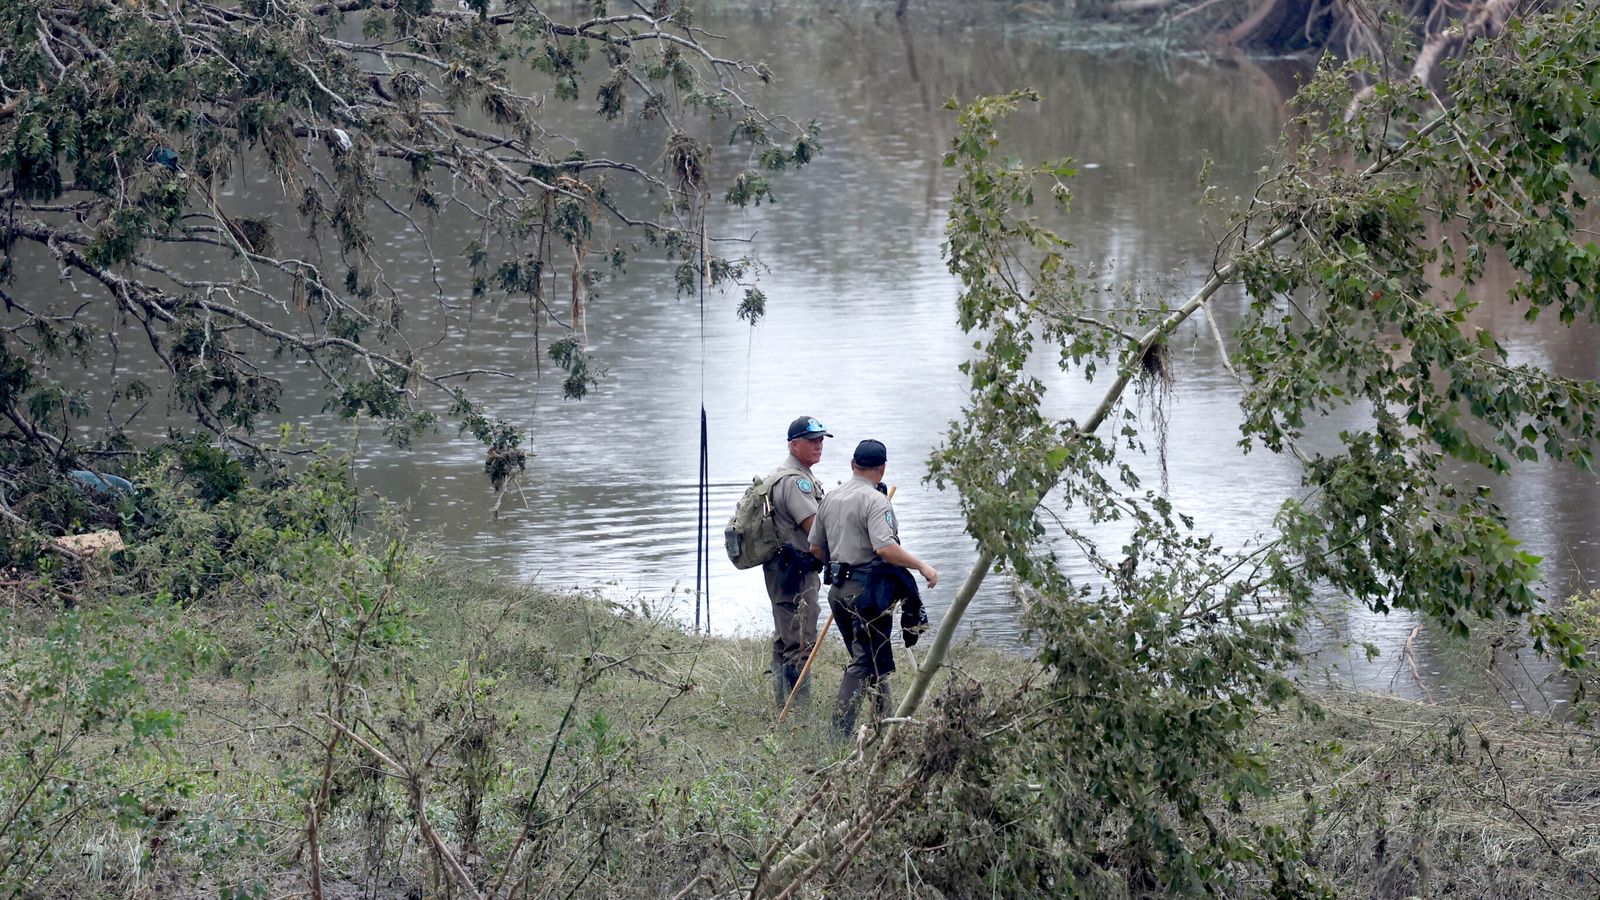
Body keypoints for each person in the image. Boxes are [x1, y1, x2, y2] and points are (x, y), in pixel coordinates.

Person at [808, 439, 938, 736]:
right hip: (868, 593)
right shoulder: (877, 501)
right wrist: (922, 566)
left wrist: (842, 558)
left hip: (838, 592)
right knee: (863, 661)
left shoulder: (830, 498)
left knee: (872, 659)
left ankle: (885, 724)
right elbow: (886, 549)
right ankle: (838, 735)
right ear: (882, 469)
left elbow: (815, 548)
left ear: (853, 465)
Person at [764, 415, 832, 710]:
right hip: (795, 572)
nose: (819, 446)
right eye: (812, 440)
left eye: (821, 440)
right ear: (794, 445)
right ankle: (800, 715)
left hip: (786, 569)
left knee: (786, 638)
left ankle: (784, 707)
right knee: (800, 641)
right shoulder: (795, 482)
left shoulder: (789, 474)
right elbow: (816, 528)